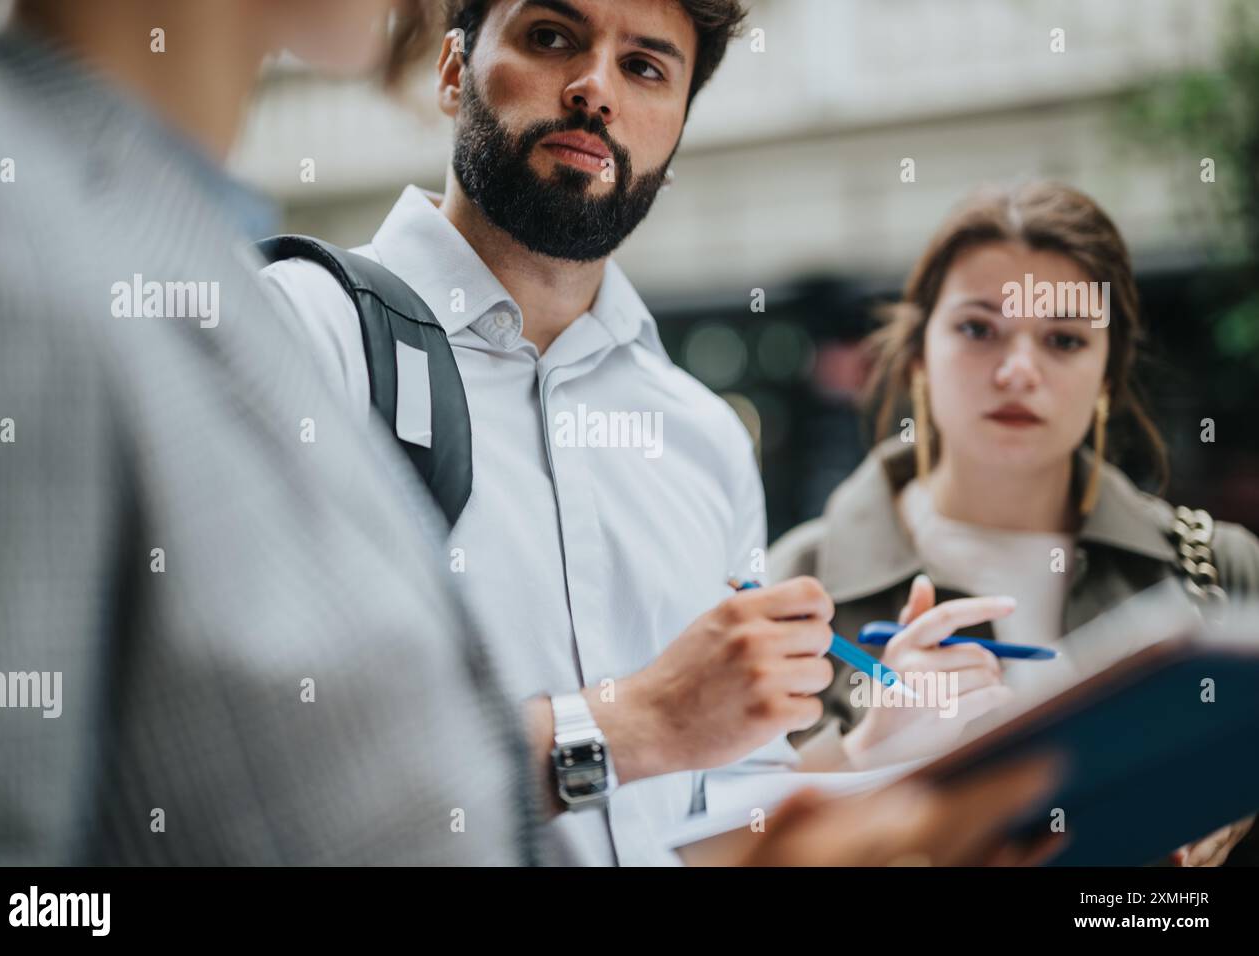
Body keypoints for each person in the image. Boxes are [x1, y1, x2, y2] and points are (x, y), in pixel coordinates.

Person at [259, 0, 872, 865]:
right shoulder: (299, 336)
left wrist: (892, 764)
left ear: (676, 133)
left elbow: (718, 815)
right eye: (552, 38)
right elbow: (250, 765)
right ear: (450, 72)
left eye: (646, 67)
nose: (595, 91)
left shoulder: (703, 437)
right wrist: (637, 722)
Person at [770, 180, 1259, 865]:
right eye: (978, 329)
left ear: (1108, 377)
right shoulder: (795, 587)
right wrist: (861, 762)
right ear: (917, 357)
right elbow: (739, 840)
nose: (1017, 370)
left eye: (1063, 338)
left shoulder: (1226, 569)